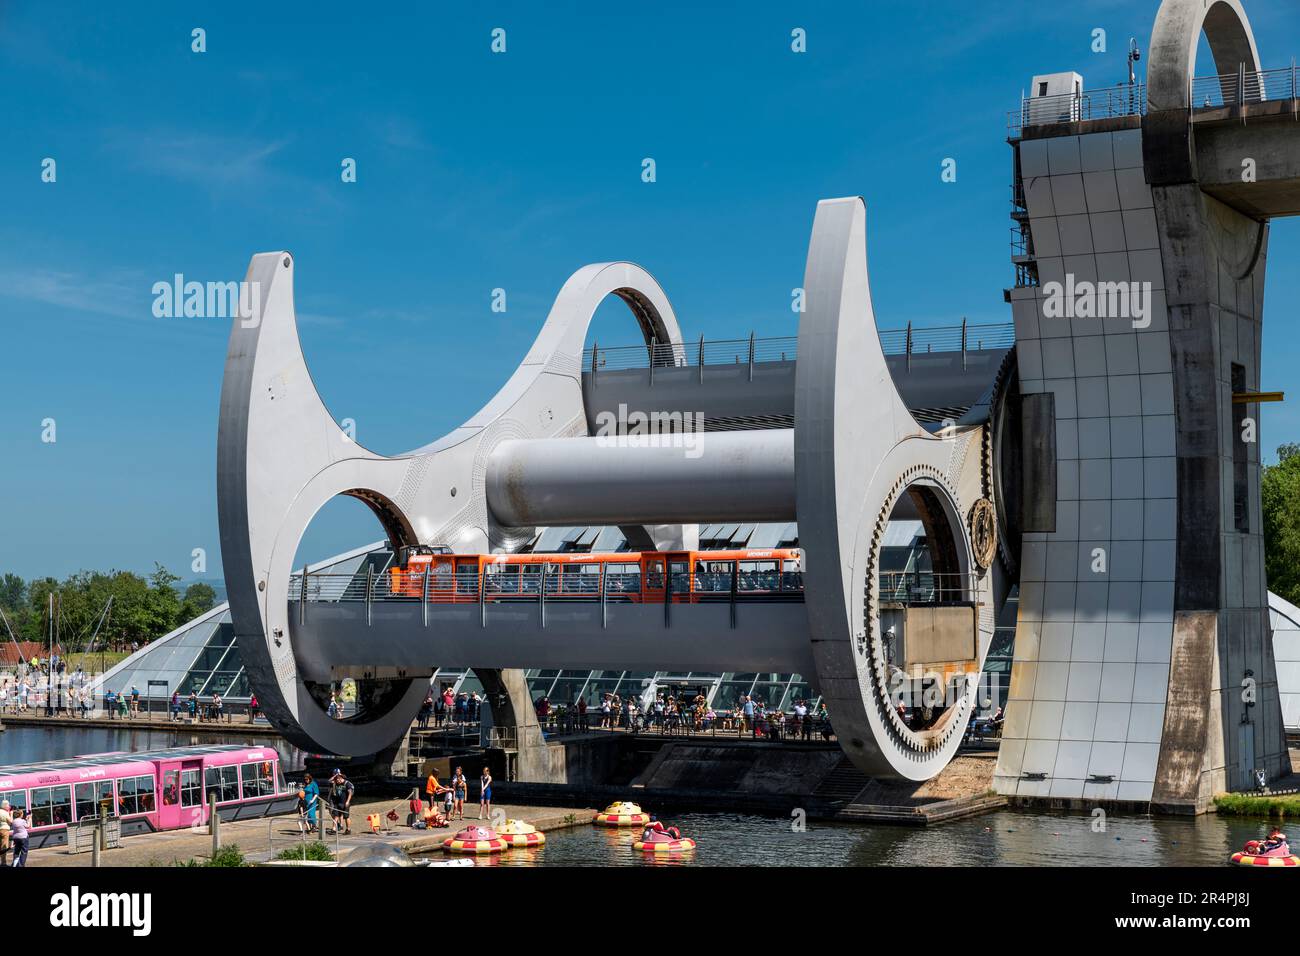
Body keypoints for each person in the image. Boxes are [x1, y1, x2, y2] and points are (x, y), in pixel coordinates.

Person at [328, 770, 354, 835]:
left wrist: (347, 801)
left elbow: (350, 793)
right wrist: (336, 775)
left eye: (337, 780)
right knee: (335, 816)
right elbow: (329, 781)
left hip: (345, 803)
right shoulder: (336, 782)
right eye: (336, 780)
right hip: (337, 802)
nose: (336, 782)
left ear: (341, 779)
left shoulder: (347, 783)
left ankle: (348, 829)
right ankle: (334, 829)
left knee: (346, 817)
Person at [0, 799, 10, 866]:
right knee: (4, 846)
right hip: (5, 830)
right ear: (5, 806)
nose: (9, 806)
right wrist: (10, 814)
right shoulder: (5, 813)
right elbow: (10, 821)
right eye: (8, 805)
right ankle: (3, 863)